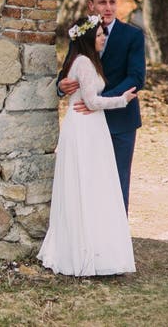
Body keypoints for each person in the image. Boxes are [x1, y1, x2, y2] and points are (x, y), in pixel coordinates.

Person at [38, 15, 137, 276]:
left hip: (90, 126)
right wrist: (122, 99)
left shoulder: (87, 61)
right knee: (86, 184)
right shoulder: (83, 62)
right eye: (100, 34)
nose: (104, 38)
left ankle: (95, 248)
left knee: (93, 185)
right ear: (88, 38)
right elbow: (92, 102)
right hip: (84, 127)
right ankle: (83, 252)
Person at [57, 0, 146, 212]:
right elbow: (68, 70)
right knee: (89, 183)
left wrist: (96, 101)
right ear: (91, 6)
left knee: (117, 181)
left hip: (120, 122)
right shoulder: (82, 33)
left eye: (112, 2)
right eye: (102, 2)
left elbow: (136, 77)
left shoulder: (133, 35)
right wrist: (60, 86)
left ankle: (116, 242)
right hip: (87, 126)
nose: (108, 7)